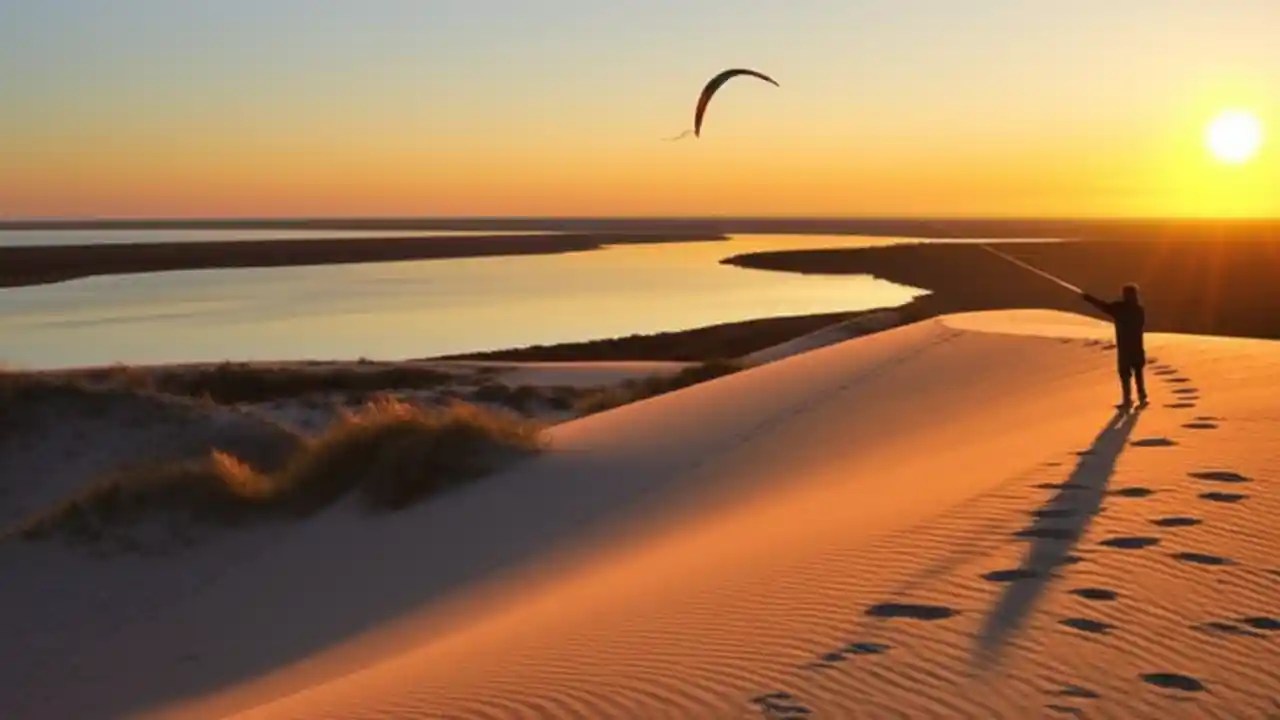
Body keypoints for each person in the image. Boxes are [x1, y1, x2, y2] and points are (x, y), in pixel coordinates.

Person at [1082, 284, 1147, 408]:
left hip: (1124, 348)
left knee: (1125, 374)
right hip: (1138, 347)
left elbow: (1103, 306)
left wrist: (1087, 298)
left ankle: (1127, 400)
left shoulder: (1119, 308)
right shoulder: (1139, 309)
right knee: (1138, 373)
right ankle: (1142, 397)